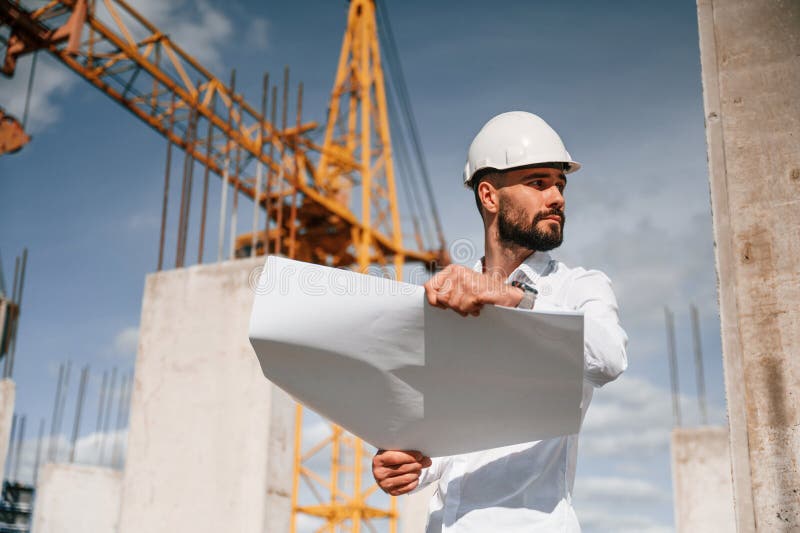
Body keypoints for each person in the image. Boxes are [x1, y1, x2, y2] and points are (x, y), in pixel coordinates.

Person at [371, 111, 628, 531]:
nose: (558, 197)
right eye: (539, 183)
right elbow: (447, 442)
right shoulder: (448, 301)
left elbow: (609, 358)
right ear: (489, 196)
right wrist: (406, 464)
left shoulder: (580, 288)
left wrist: (511, 298)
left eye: (560, 185)